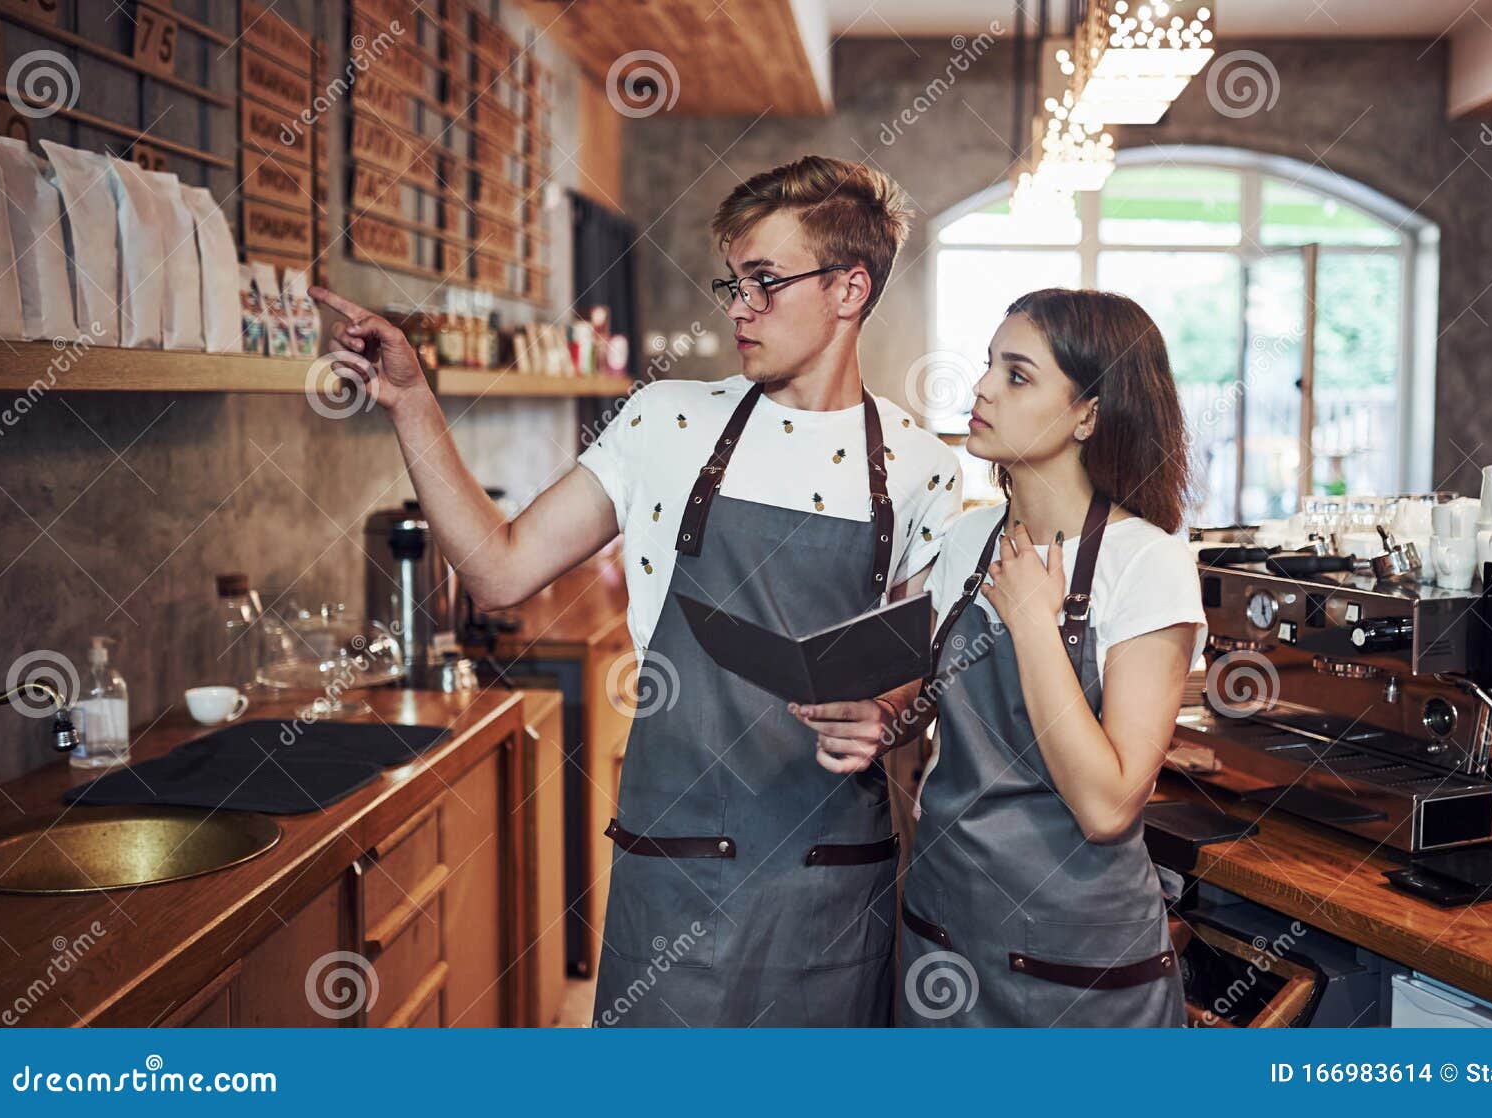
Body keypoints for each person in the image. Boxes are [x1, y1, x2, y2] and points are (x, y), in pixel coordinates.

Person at [310, 155, 962, 1027]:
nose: (738, 305)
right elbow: (499, 569)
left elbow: (923, 677)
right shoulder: (669, 422)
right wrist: (413, 404)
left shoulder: (921, 467)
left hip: (831, 883)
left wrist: (889, 710)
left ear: (850, 288)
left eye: (765, 282)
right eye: (735, 281)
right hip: (676, 876)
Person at [896, 289, 1206, 1028]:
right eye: (987, 366)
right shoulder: (966, 543)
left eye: (1017, 374)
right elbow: (916, 733)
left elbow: (1107, 805)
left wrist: (1036, 625)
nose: (980, 388)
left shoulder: (1149, 564)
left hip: (1080, 966)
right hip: (943, 935)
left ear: (1088, 416)